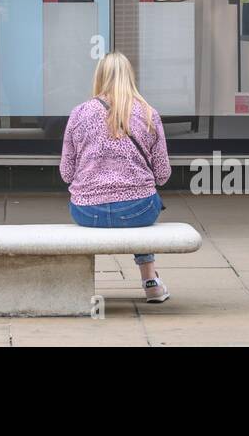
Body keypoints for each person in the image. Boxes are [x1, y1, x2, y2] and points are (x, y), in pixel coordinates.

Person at [60, 51, 173, 304]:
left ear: (99, 77)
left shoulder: (79, 113)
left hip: (88, 211)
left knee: (129, 201)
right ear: (130, 77)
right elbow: (163, 176)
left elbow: (66, 173)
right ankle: (150, 282)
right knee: (140, 202)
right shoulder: (148, 113)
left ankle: (80, 288)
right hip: (138, 210)